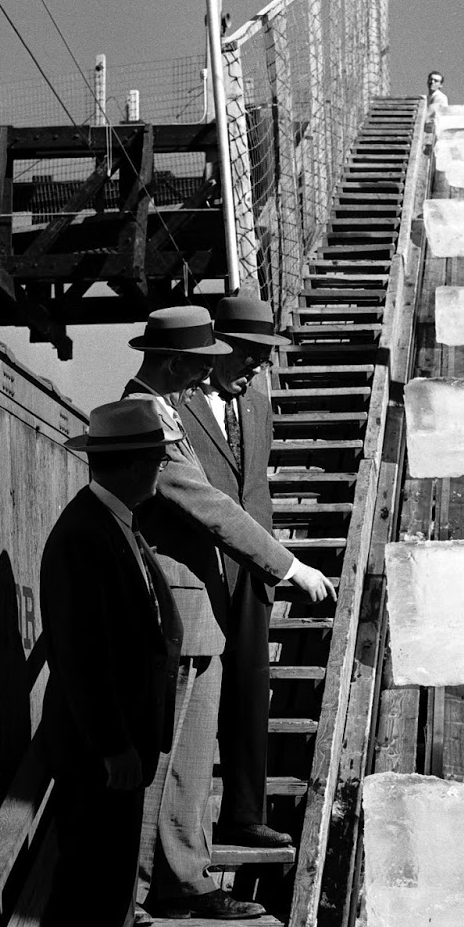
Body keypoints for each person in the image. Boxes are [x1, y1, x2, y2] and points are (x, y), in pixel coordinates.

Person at [122, 306, 335, 919]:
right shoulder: (144, 413)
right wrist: (290, 565)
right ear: (173, 362)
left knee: (186, 759)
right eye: (198, 362)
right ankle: (138, 890)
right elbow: (200, 500)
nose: (205, 372)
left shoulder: (161, 408)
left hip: (210, 592)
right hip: (179, 600)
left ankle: (181, 878)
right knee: (163, 756)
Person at [40, 398, 183, 927]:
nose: (159, 470)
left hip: (121, 746)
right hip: (106, 751)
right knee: (91, 875)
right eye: (153, 459)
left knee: (108, 870)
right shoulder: (83, 534)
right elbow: (81, 653)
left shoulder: (113, 525)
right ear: (131, 465)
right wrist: (112, 744)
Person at [175, 294, 295, 847]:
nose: (257, 367)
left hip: (251, 565)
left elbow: (255, 482)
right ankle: (189, 830)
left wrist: (267, 555)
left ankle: (245, 813)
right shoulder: (174, 400)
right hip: (199, 564)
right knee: (201, 695)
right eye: (249, 355)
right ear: (219, 347)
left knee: (251, 687)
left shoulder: (256, 399)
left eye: (263, 358)